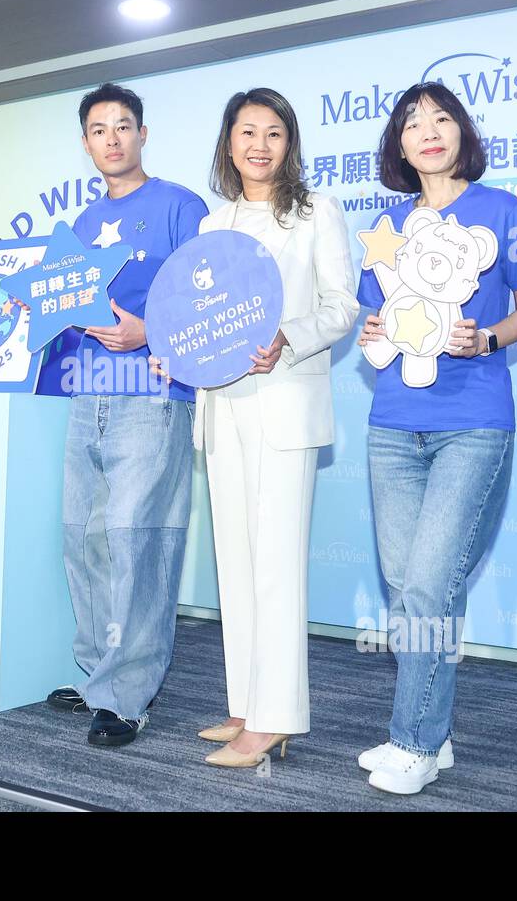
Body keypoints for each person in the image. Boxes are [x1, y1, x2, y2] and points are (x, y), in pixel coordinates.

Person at [355, 82, 517, 794]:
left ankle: (413, 740)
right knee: (411, 588)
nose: (427, 131)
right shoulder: (385, 224)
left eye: (440, 118)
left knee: (431, 583)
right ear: (398, 145)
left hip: (473, 423)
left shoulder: (503, 210)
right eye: (412, 122)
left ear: (462, 132)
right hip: (392, 426)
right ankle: (436, 734)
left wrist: (487, 336)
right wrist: (371, 330)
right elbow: (373, 319)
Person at [189, 88, 358, 767]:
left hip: (284, 399)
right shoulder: (213, 224)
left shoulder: (318, 212)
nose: (259, 146)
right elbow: (196, 317)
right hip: (223, 403)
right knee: (235, 560)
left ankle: (277, 717)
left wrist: (286, 338)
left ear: (290, 144)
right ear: (228, 143)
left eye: (274, 134)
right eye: (246, 132)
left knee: (277, 562)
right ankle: (245, 704)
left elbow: (342, 305)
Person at [42, 83, 208, 747]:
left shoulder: (181, 206)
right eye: (98, 130)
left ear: (143, 134)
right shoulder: (79, 226)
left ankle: (127, 695)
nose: (111, 138)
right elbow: (64, 312)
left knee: (136, 541)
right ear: (86, 144)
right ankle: (97, 673)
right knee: (84, 537)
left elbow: (210, 299)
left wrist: (153, 334)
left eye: (123, 126)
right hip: (88, 394)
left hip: (153, 396)